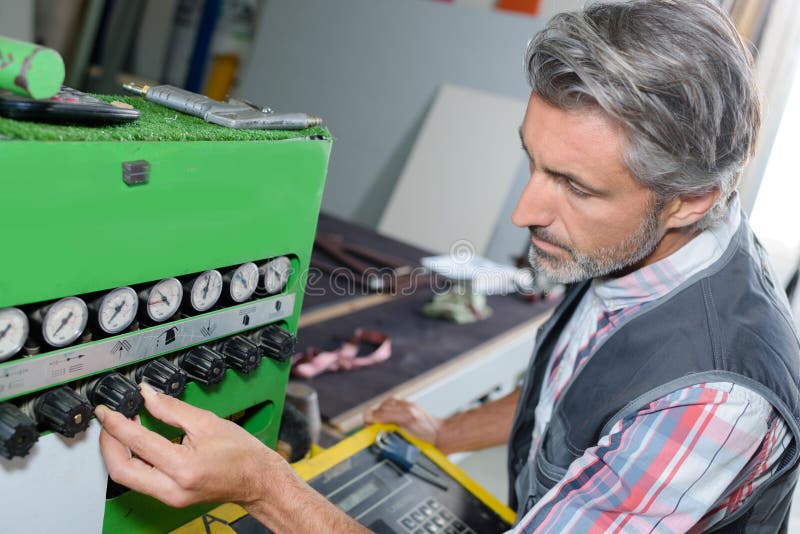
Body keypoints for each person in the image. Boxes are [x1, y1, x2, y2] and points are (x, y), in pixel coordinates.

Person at [97, 0, 800, 532]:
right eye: (534, 161)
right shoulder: (648, 245)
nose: (524, 211)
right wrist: (446, 433)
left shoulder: (712, 400)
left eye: (576, 187)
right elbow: (575, 390)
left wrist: (264, 487)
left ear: (690, 199)